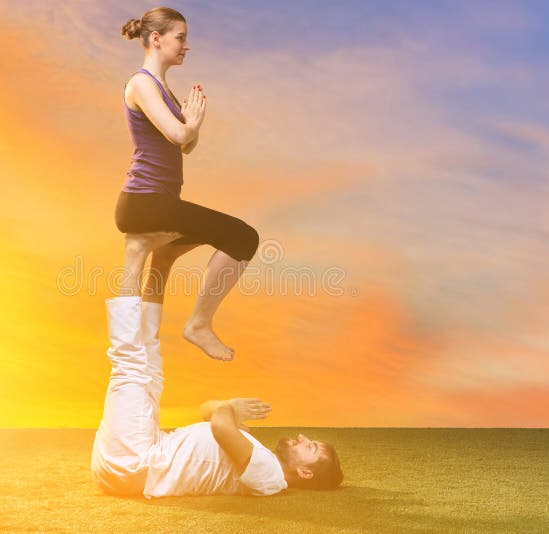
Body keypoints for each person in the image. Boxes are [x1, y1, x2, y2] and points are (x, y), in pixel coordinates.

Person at [90, 296, 344, 498]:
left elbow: (220, 426)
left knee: (129, 363)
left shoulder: (270, 476)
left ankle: (135, 252)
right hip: (145, 452)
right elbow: (207, 412)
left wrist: (228, 409)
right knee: (149, 361)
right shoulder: (257, 453)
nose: (301, 437)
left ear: (304, 472)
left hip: (136, 464)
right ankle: (162, 261)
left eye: (309, 446)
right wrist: (226, 409)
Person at [116, 7, 260, 362]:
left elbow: (184, 144)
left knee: (163, 259)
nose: (186, 46)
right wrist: (190, 126)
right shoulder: (142, 84)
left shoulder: (162, 88)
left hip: (156, 201)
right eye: (180, 37)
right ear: (156, 39)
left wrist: (193, 125)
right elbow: (179, 133)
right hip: (145, 203)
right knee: (243, 237)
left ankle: (145, 352)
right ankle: (198, 324)